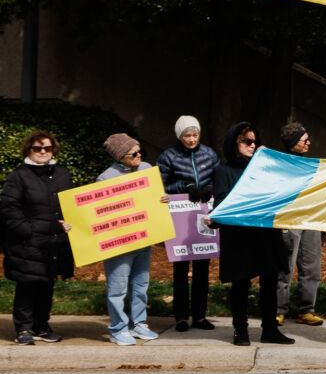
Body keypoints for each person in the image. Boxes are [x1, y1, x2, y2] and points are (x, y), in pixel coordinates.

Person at [211, 123, 295, 348]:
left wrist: (267, 159)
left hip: (264, 233)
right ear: (234, 144)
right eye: (246, 141)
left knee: (270, 281)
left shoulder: (264, 169)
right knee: (240, 284)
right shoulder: (224, 171)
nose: (252, 145)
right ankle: (240, 329)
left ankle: (270, 329)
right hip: (239, 236)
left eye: (254, 141)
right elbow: (221, 202)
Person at [2, 131, 74, 345]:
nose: (43, 152)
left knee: (47, 285)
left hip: (55, 241)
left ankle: (42, 326)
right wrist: (28, 230)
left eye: (47, 148)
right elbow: (9, 208)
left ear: (53, 150)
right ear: (29, 150)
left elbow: (72, 203)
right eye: (37, 148)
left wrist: (71, 223)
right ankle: (23, 329)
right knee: (27, 284)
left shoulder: (62, 173)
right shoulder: (19, 176)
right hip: (27, 242)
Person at [97, 135, 162, 347]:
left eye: (139, 151)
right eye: (133, 153)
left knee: (141, 284)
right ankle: (118, 328)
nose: (139, 155)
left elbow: (154, 197)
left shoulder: (146, 169)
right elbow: (101, 213)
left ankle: (139, 323)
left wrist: (163, 198)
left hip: (144, 238)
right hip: (119, 243)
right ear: (120, 157)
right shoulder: (105, 179)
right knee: (118, 287)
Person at [157, 116, 218, 333]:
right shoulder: (168, 156)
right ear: (179, 136)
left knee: (202, 269)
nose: (191, 139)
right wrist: (185, 186)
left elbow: (218, 177)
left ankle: (200, 316)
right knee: (180, 269)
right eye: (187, 135)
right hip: (180, 218)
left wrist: (209, 187)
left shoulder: (209, 154)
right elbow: (161, 184)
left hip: (203, 216)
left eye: (195, 135)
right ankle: (181, 317)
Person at [275, 124, 324, 327]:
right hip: (289, 220)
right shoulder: (280, 164)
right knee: (285, 266)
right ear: (293, 142)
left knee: (312, 265)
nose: (309, 143)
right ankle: (278, 309)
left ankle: (307, 310)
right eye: (305, 140)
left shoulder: (312, 164)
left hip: (311, 219)